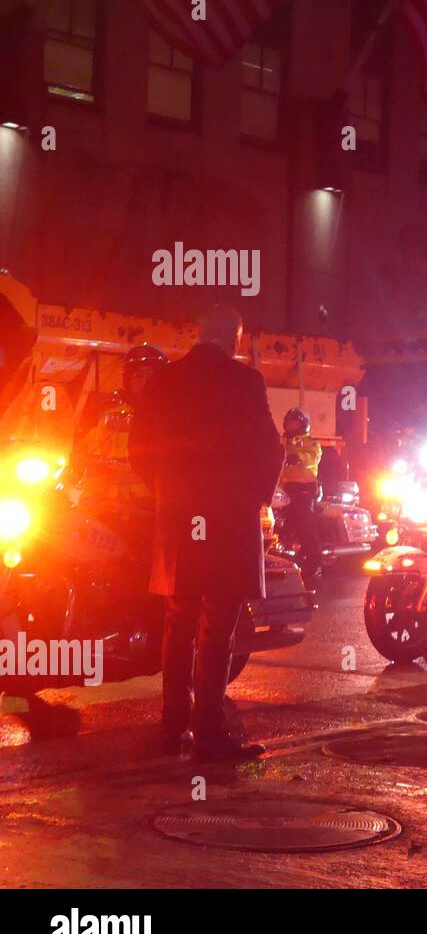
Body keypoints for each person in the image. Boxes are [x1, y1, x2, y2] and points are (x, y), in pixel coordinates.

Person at [129, 305, 284, 760]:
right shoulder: (245, 382)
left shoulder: (164, 381)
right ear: (234, 339)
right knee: (218, 625)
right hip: (228, 520)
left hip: (178, 520)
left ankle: (171, 725)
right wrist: (254, 500)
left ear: (198, 335)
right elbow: (270, 449)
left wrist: (167, 493)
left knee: (177, 621)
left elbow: (139, 451)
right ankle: (209, 733)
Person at [76, 344, 170, 511]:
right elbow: (87, 456)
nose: (144, 381)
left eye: (150, 375)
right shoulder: (111, 414)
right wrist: (88, 501)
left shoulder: (174, 416)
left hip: (152, 505)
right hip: (108, 505)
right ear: (128, 380)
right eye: (137, 376)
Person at [280, 407, 323, 583]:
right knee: (281, 526)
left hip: (304, 491)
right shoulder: (282, 441)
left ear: (302, 424)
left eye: (295, 422)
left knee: (305, 527)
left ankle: (314, 563)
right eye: (289, 422)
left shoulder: (311, 443)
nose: (291, 426)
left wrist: (298, 457)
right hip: (285, 490)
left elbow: (313, 457)